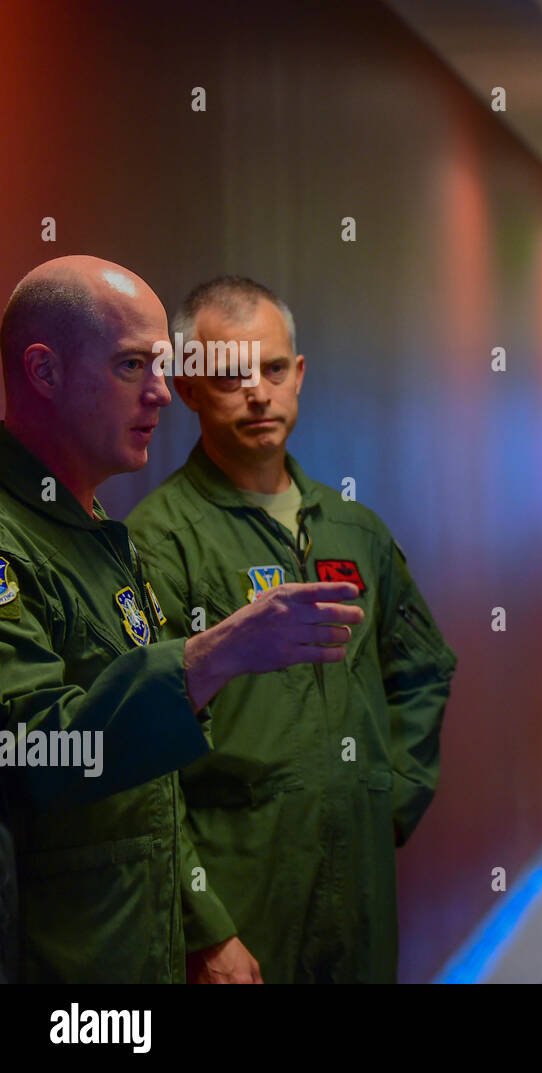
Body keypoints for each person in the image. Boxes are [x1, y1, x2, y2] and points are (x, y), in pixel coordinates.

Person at [0, 256, 365, 983]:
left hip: (138, 943)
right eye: (132, 365)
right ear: (43, 372)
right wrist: (210, 656)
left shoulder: (97, 528)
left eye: (161, 366)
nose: (163, 394)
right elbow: (29, 751)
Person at [128, 276, 456, 984]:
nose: (257, 392)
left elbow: (422, 667)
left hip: (357, 882)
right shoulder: (158, 542)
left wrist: (388, 796)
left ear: (298, 374)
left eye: (274, 369)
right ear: (185, 385)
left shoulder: (353, 529)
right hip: (241, 882)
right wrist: (203, 923)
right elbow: (140, 756)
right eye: (229, 374)